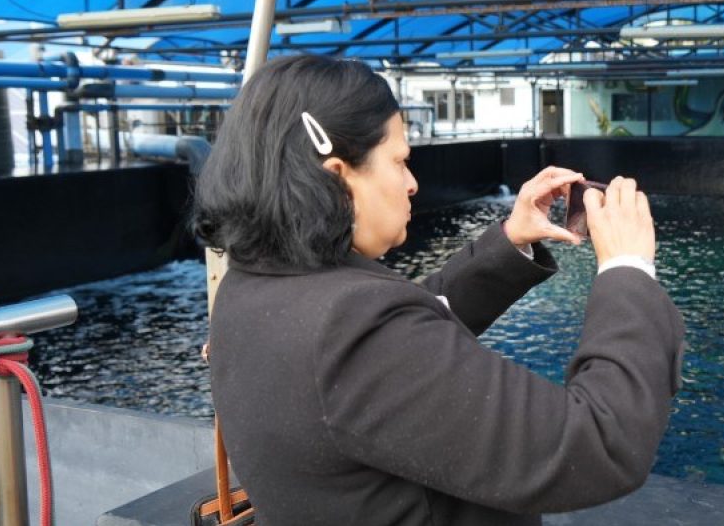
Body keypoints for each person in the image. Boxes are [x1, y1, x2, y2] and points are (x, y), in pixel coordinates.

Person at [193, 55, 684, 526]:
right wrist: (627, 268)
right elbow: (598, 445)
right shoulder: (353, 328)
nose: (412, 183)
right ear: (338, 178)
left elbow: (401, 338)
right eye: (400, 161)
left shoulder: (248, 288)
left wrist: (511, 239)